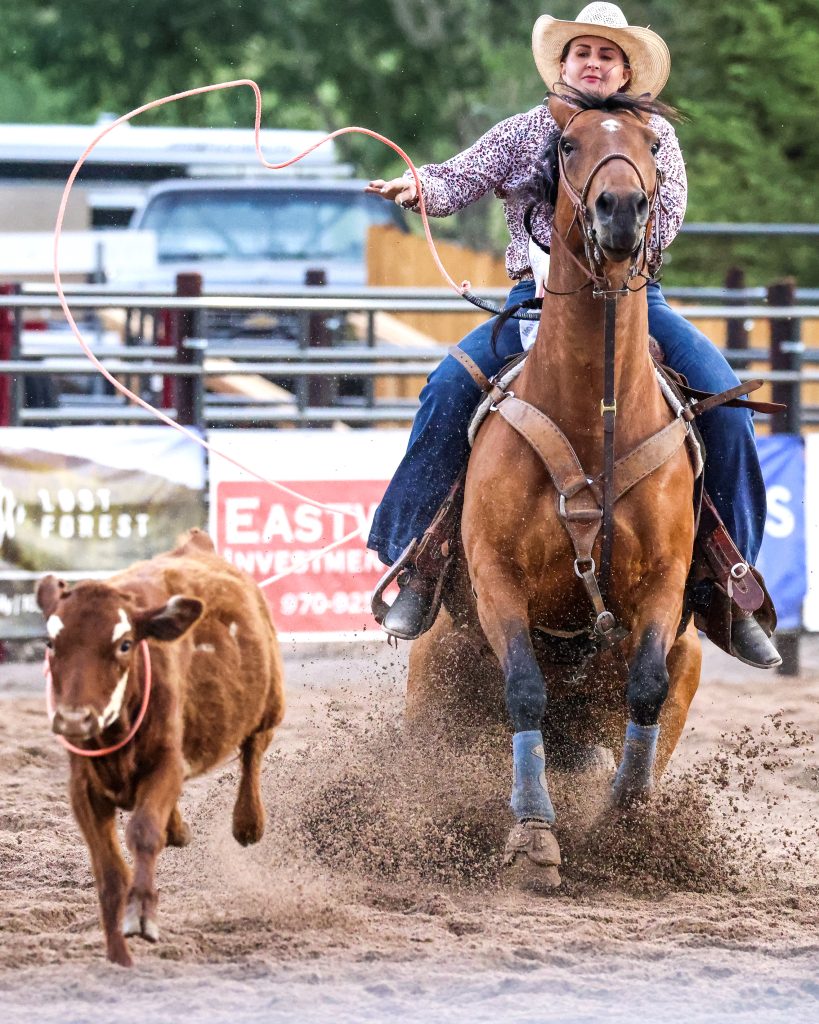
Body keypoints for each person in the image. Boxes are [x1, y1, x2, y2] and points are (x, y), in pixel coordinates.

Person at [365, 2, 780, 668]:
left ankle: (728, 579)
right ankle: (418, 561)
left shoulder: (652, 137)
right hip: (535, 303)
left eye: (607, 55)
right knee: (447, 388)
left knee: (723, 401)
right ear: (563, 64)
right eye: (582, 52)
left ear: (624, 71)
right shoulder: (527, 129)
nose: (593, 63)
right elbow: (459, 176)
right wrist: (417, 188)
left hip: (635, 300)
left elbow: (664, 217)